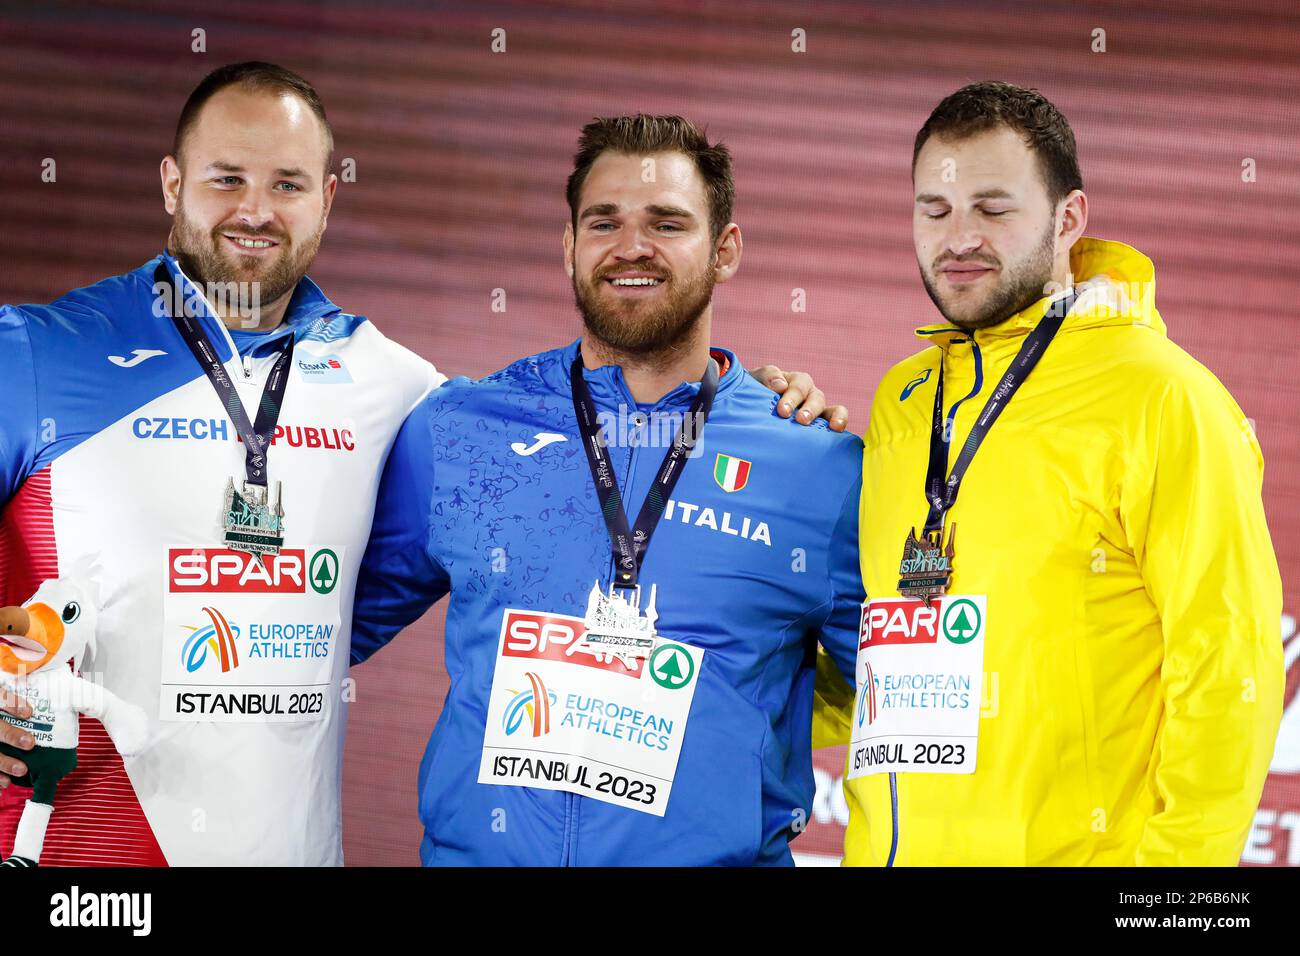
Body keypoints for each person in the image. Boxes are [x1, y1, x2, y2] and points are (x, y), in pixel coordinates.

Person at [0, 64, 839, 865]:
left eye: (287, 184)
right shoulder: (36, 350)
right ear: (172, 185)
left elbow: (878, 683)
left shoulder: (398, 387)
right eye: (227, 178)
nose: (255, 209)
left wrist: (763, 417)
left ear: (327, 200)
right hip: (78, 857)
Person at [350, 114, 864, 865]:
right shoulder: (462, 429)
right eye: (604, 222)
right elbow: (323, 632)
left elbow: (892, 708)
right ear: (569, 247)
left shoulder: (817, 467)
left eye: (667, 223)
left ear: (725, 250)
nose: (632, 248)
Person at [813, 81, 1284, 866]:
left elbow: (1230, 668)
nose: (958, 238)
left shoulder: (1162, 397)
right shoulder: (903, 400)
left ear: (1069, 219)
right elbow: (872, 658)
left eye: (992, 209)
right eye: (934, 210)